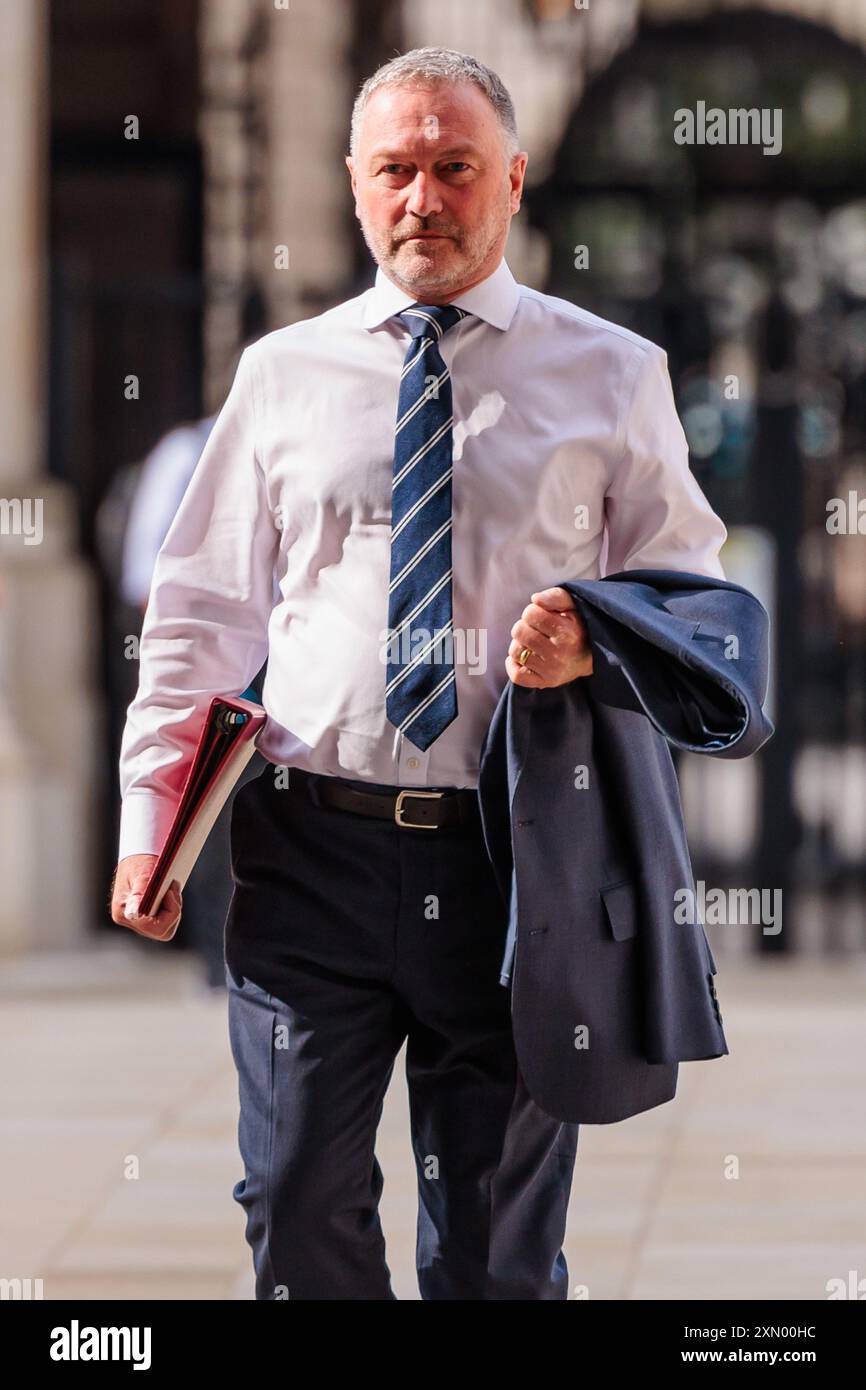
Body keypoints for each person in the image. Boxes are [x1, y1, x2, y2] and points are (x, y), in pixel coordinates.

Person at [110, 46, 728, 1300]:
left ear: (510, 180)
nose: (422, 200)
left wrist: (594, 636)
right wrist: (148, 824)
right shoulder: (283, 376)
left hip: (516, 862)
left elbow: (693, 605)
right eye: (395, 170)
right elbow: (200, 615)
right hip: (305, 851)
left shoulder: (611, 374)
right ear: (354, 184)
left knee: (492, 1240)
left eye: (453, 169)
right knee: (292, 1200)